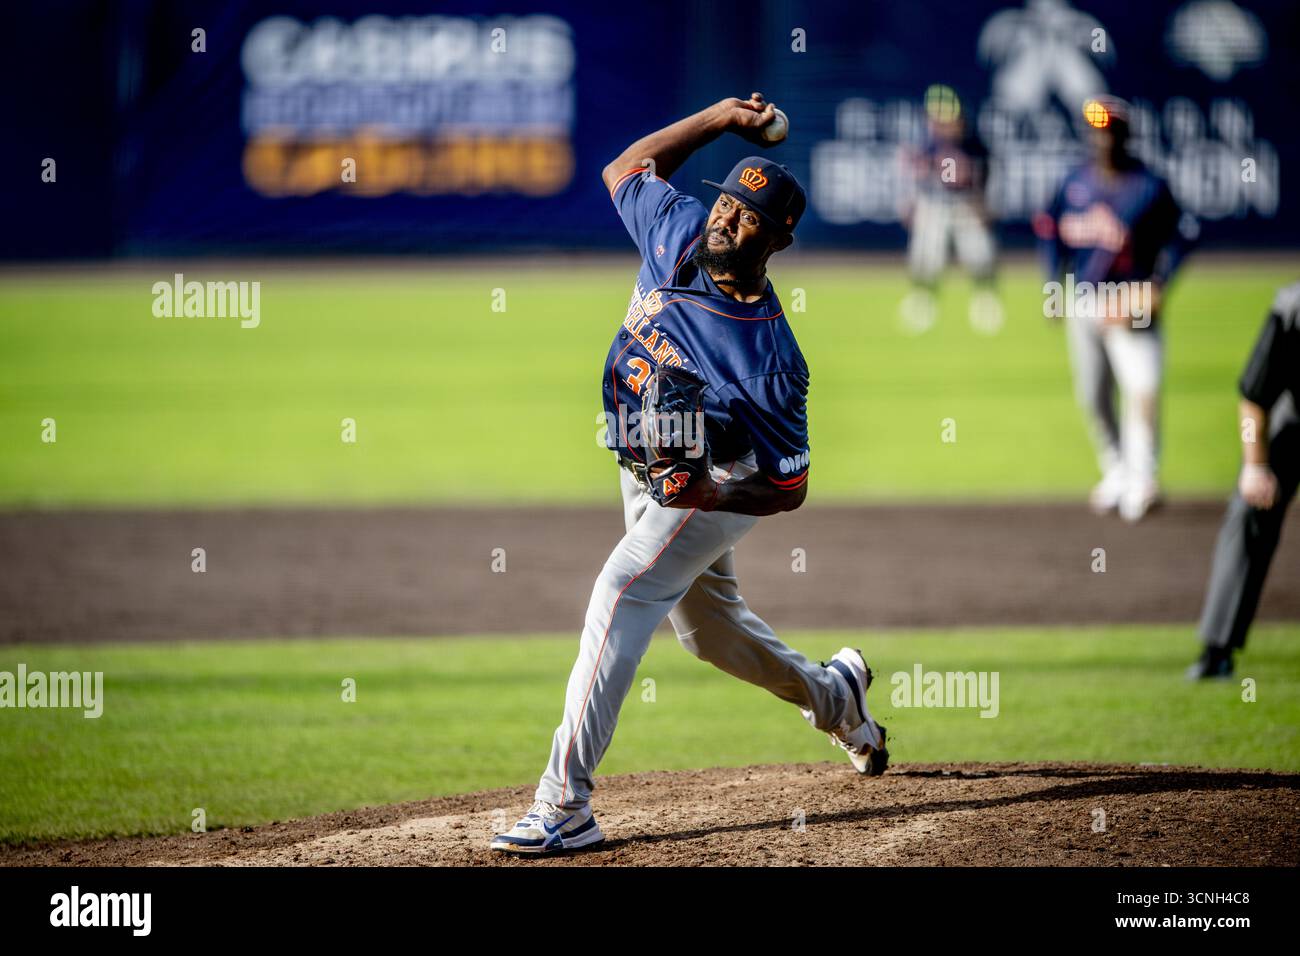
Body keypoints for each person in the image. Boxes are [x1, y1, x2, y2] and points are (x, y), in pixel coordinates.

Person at [489, 93, 888, 855]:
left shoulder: (770, 359)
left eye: (745, 219)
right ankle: (837, 696)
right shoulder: (677, 232)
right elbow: (626, 168)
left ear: (778, 240)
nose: (725, 221)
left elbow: (788, 486)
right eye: (725, 204)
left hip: (718, 484)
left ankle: (563, 805)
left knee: (619, 592)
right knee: (709, 635)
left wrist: (705, 492)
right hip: (647, 467)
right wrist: (716, 119)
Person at [1035, 95, 1197, 522]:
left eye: (1109, 130)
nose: (1102, 139)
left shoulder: (1148, 186)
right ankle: (1116, 468)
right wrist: (1053, 287)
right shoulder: (1073, 183)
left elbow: (1186, 233)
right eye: (1096, 130)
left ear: (1124, 135)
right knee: (1093, 393)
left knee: (1142, 386)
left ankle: (1143, 477)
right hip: (1085, 299)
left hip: (1130, 299)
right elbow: (1050, 233)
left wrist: (1157, 285)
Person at [1190, 282, 1300, 679]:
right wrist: (1255, 467)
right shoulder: (1293, 309)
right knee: (1249, 507)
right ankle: (1217, 650)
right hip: (1294, 418)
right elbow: (1254, 398)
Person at [898, 84, 1004, 335]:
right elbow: (913, 177)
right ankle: (923, 301)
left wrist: (987, 204)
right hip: (934, 204)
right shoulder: (926, 144)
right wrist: (910, 203)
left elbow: (990, 174)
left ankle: (985, 301)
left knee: (979, 253)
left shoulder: (973, 144)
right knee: (926, 257)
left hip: (966, 204)